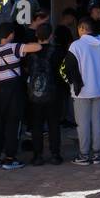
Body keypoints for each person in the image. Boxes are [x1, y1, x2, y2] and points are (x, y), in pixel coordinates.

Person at [0, 23, 43, 170]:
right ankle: (10, 158)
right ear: (11, 34)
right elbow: (38, 47)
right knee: (13, 123)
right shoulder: (15, 47)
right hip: (13, 89)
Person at [68, 16, 100, 165]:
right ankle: (97, 154)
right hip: (99, 88)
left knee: (83, 124)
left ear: (81, 29)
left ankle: (84, 155)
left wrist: (74, 85)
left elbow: (70, 69)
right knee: (97, 122)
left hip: (82, 91)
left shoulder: (76, 46)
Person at [26, 23, 67, 166]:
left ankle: (37, 156)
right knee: (53, 124)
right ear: (51, 36)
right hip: (54, 92)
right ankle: (55, 154)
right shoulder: (58, 51)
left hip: (35, 93)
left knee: (36, 125)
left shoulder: (30, 52)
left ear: (37, 35)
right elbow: (63, 73)